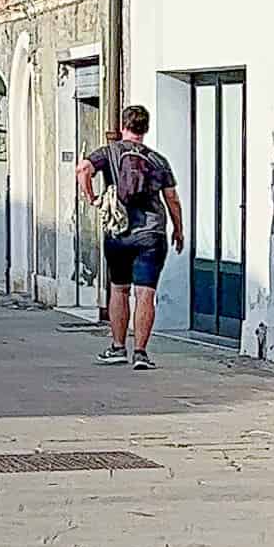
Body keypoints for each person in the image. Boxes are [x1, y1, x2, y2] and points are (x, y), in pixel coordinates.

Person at [78, 103, 182, 370]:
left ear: (123, 126)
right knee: (146, 293)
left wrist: (92, 197)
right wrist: (178, 229)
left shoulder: (108, 153)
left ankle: (117, 347)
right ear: (145, 129)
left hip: (119, 233)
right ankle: (141, 353)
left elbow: (83, 170)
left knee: (119, 289)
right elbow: (172, 198)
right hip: (152, 234)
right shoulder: (158, 160)